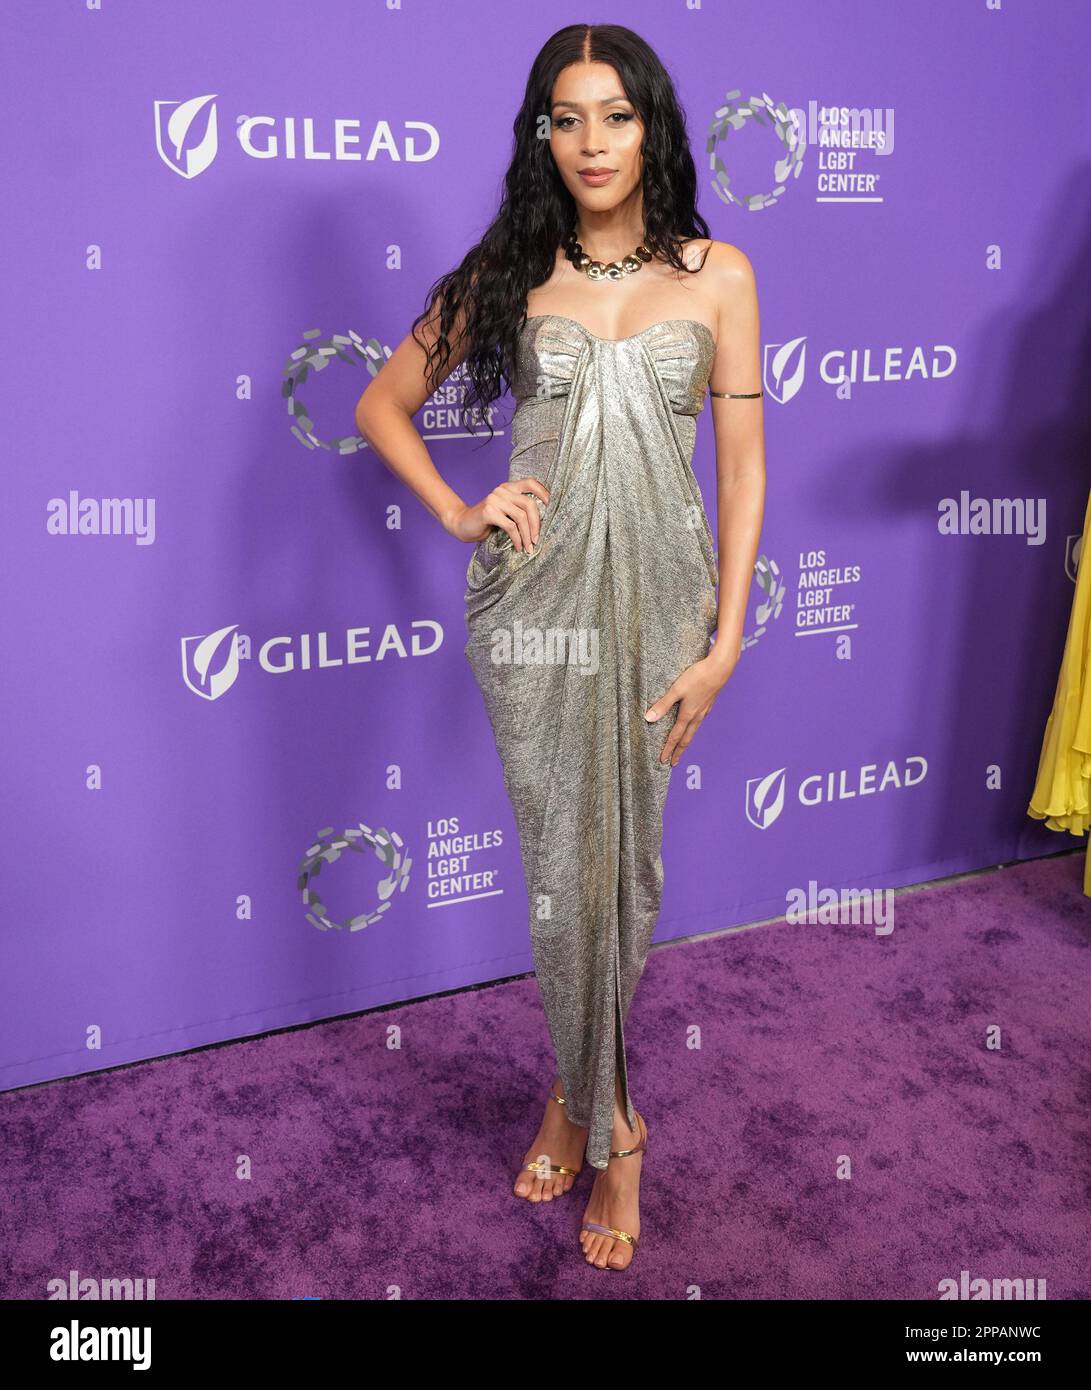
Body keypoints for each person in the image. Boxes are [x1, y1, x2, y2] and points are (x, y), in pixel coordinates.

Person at [355, 22, 765, 1272]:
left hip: (655, 609)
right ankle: (616, 1125)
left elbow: (742, 471)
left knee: (620, 875)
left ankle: (576, 1105)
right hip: (533, 611)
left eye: (616, 116)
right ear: (544, 134)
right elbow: (381, 398)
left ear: (652, 126)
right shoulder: (511, 270)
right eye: (568, 118)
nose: (592, 142)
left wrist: (727, 638)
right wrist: (455, 506)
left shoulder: (717, 274)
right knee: (560, 874)